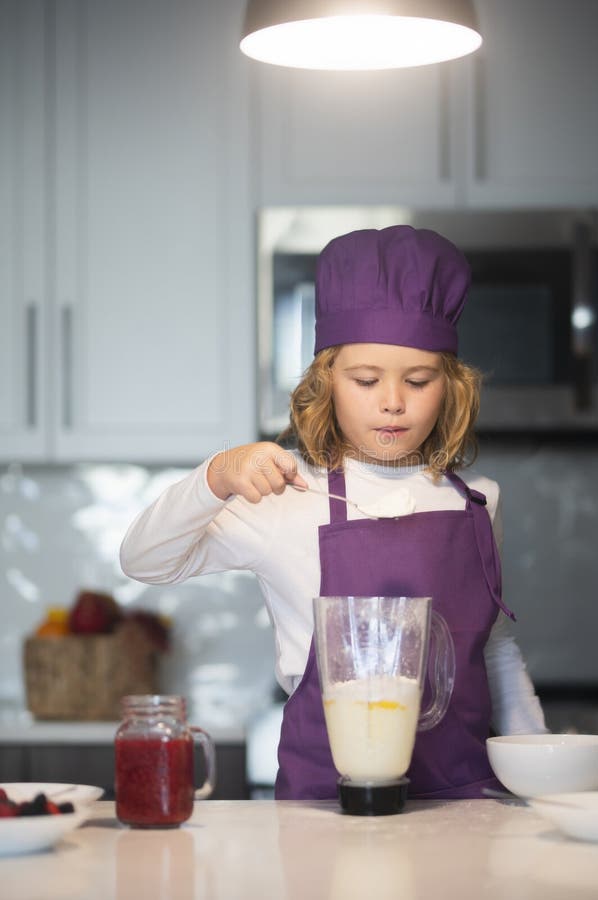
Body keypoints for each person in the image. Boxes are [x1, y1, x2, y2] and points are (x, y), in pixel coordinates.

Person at [120, 225, 546, 800]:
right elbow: (143, 559)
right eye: (366, 379)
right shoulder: (286, 497)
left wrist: (542, 778)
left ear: (451, 388)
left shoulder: (477, 500)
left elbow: (494, 649)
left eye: (418, 380)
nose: (392, 400)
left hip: (463, 804)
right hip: (326, 808)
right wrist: (216, 476)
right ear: (327, 383)